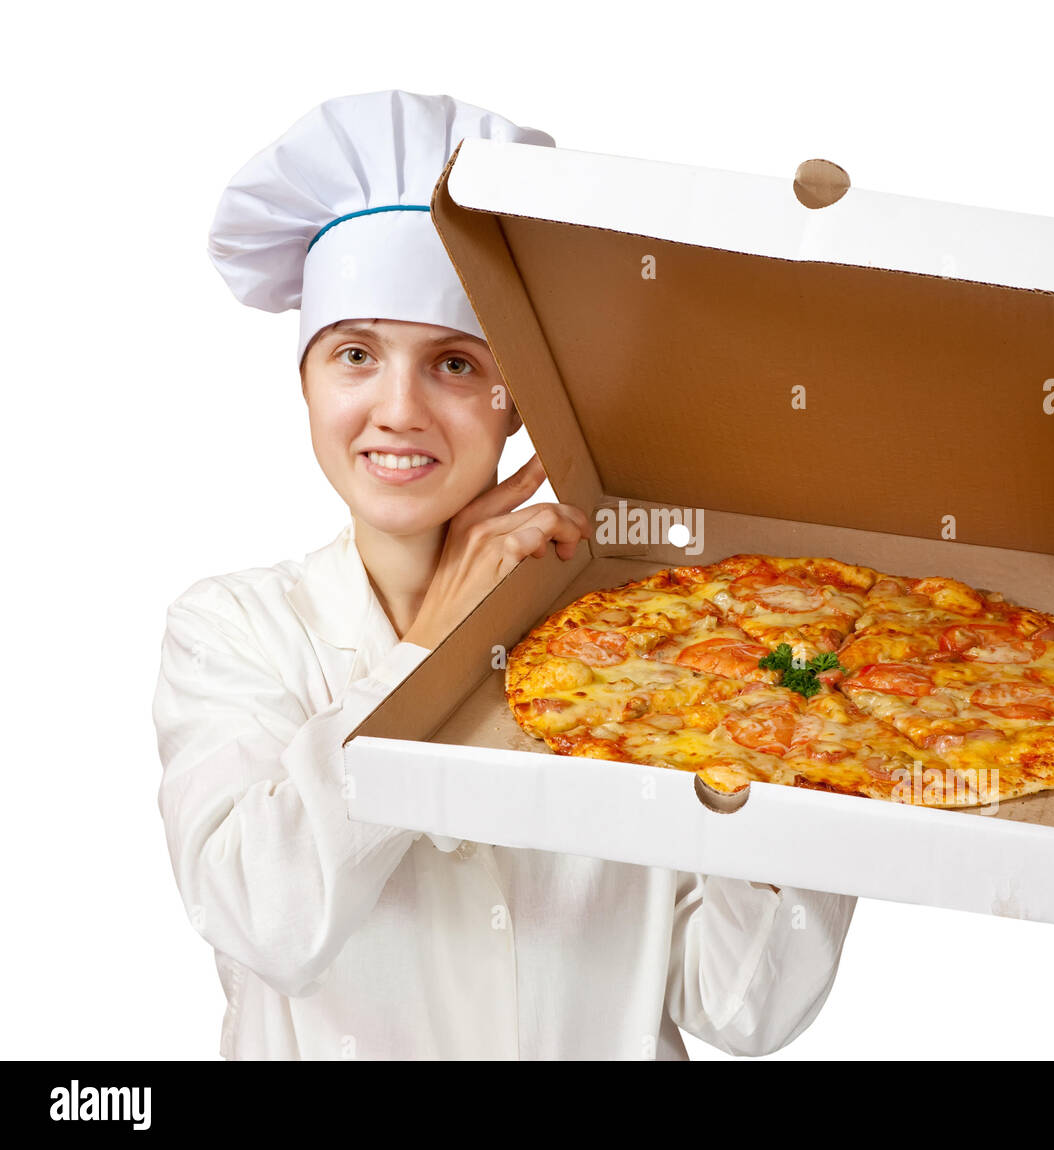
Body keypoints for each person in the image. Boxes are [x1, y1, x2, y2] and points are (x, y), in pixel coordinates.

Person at [152, 90, 857, 1060]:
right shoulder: (234, 629)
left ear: (514, 399)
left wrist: (795, 727)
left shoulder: (637, 644)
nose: (397, 410)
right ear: (305, 381)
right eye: (354, 354)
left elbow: (742, 1005)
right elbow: (271, 921)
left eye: (451, 363)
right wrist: (428, 648)